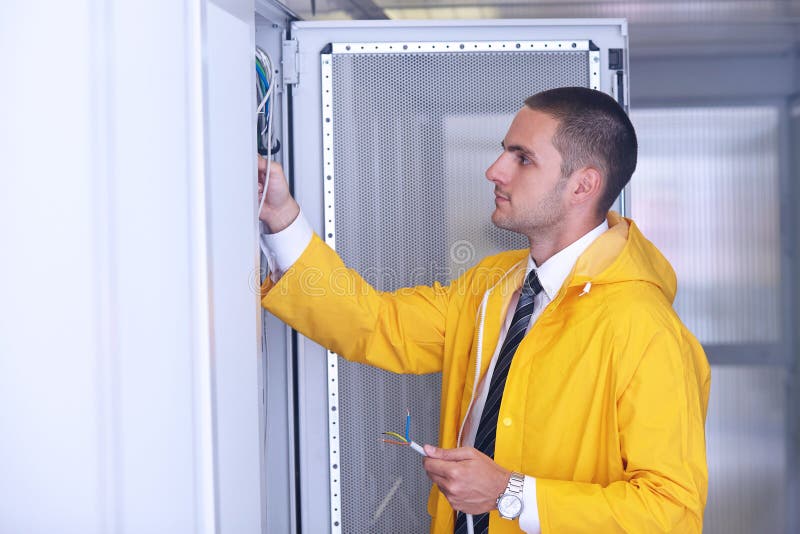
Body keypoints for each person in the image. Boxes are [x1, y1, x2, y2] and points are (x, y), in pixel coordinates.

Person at [258, 87, 710, 533]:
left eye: (522, 158)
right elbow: (379, 325)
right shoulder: (491, 285)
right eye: (503, 153)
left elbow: (671, 512)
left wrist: (509, 494)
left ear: (582, 185)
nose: (495, 170)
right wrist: (281, 219)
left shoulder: (645, 329)